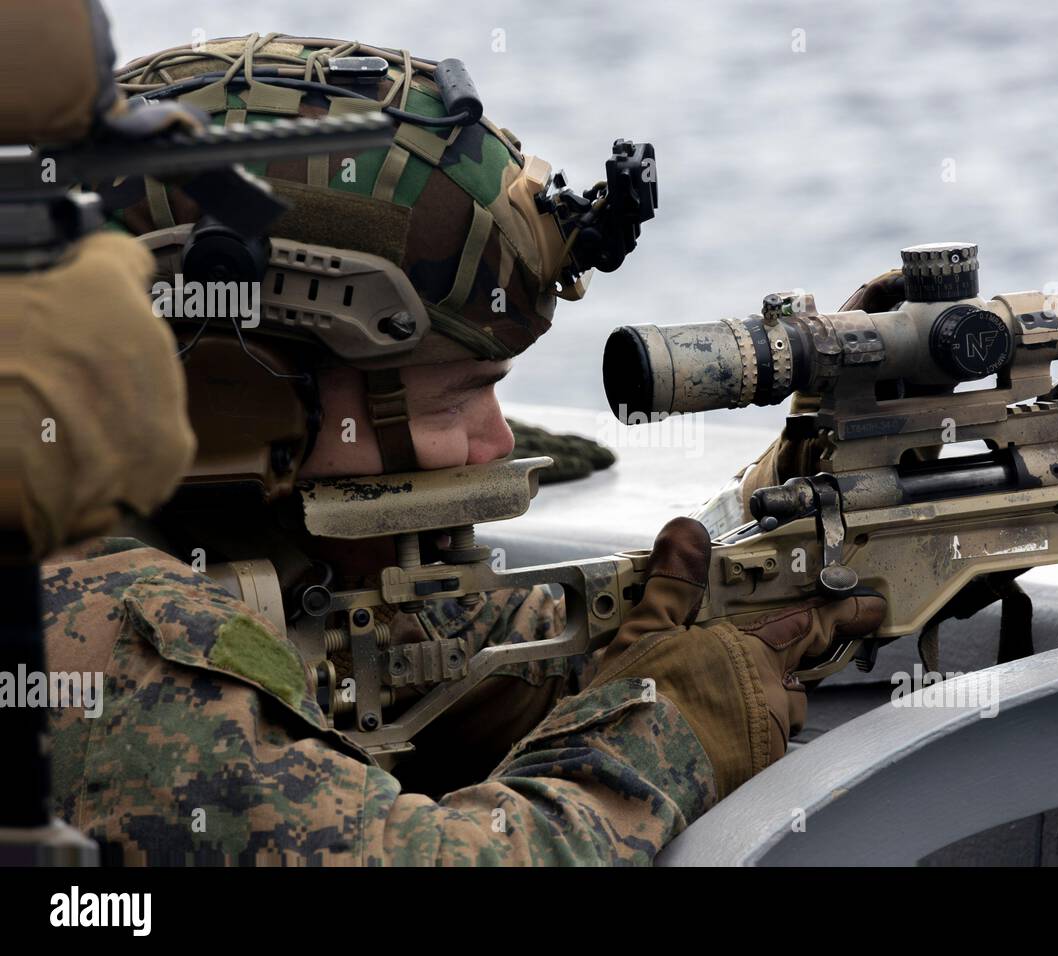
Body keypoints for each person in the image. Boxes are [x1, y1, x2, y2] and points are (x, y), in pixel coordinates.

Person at [33, 29, 884, 864]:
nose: (497, 439)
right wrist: (666, 730)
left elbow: (463, 645)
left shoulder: (224, 542)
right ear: (238, 395)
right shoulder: (106, 638)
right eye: (460, 397)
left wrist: (788, 519)